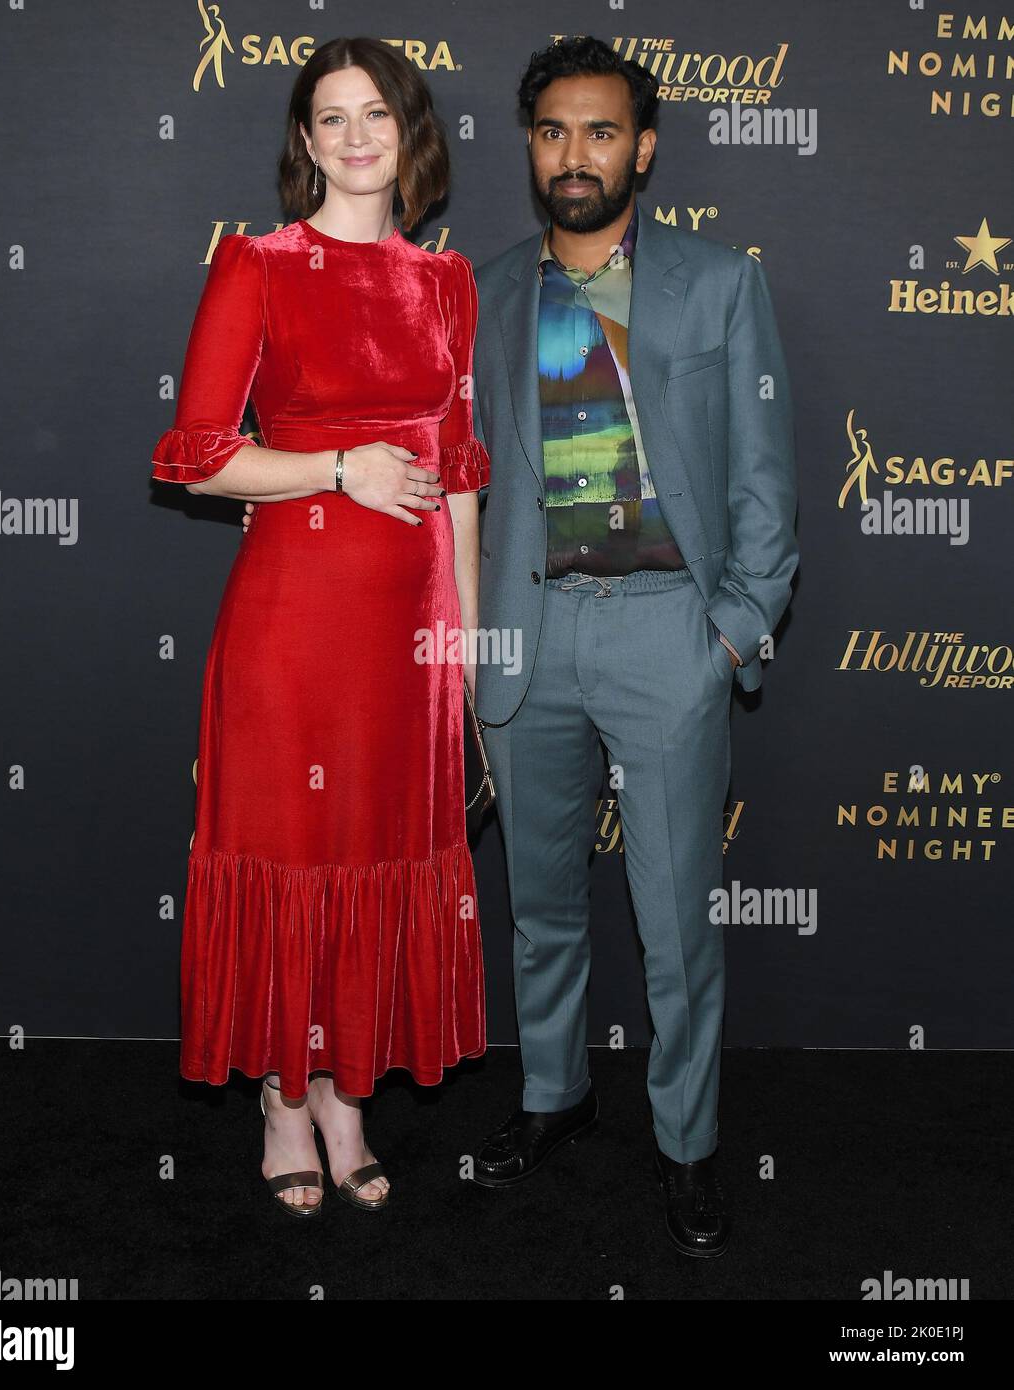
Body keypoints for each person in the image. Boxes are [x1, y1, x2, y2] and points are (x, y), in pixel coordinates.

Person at [465, 36, 799, 1256]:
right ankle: (554, 1096)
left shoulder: (718, 285)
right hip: (531, 632)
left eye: (600, 132)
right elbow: (456, 482)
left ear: (642, 150)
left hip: (669, 630)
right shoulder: (486, 289)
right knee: (539, 906)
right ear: (530, 147)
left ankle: (686, 1143)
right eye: (552, 131)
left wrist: (731, 630)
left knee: (675, 920)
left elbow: (763, 484)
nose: (573, 155)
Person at [150, 36, 491, 1218]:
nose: (355, 136)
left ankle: (348, 1089)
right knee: (296, 859)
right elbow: (196, 458)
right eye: (330, 117)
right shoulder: (257, 265)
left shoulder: (447, 284)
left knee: (370, 856)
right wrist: (337, 464)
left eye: (376, 115)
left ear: (411, 135)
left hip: (410, 646)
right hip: (290, 631)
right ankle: (283, 1100)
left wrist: (467, 656)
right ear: (303, 143)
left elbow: (458, 483)